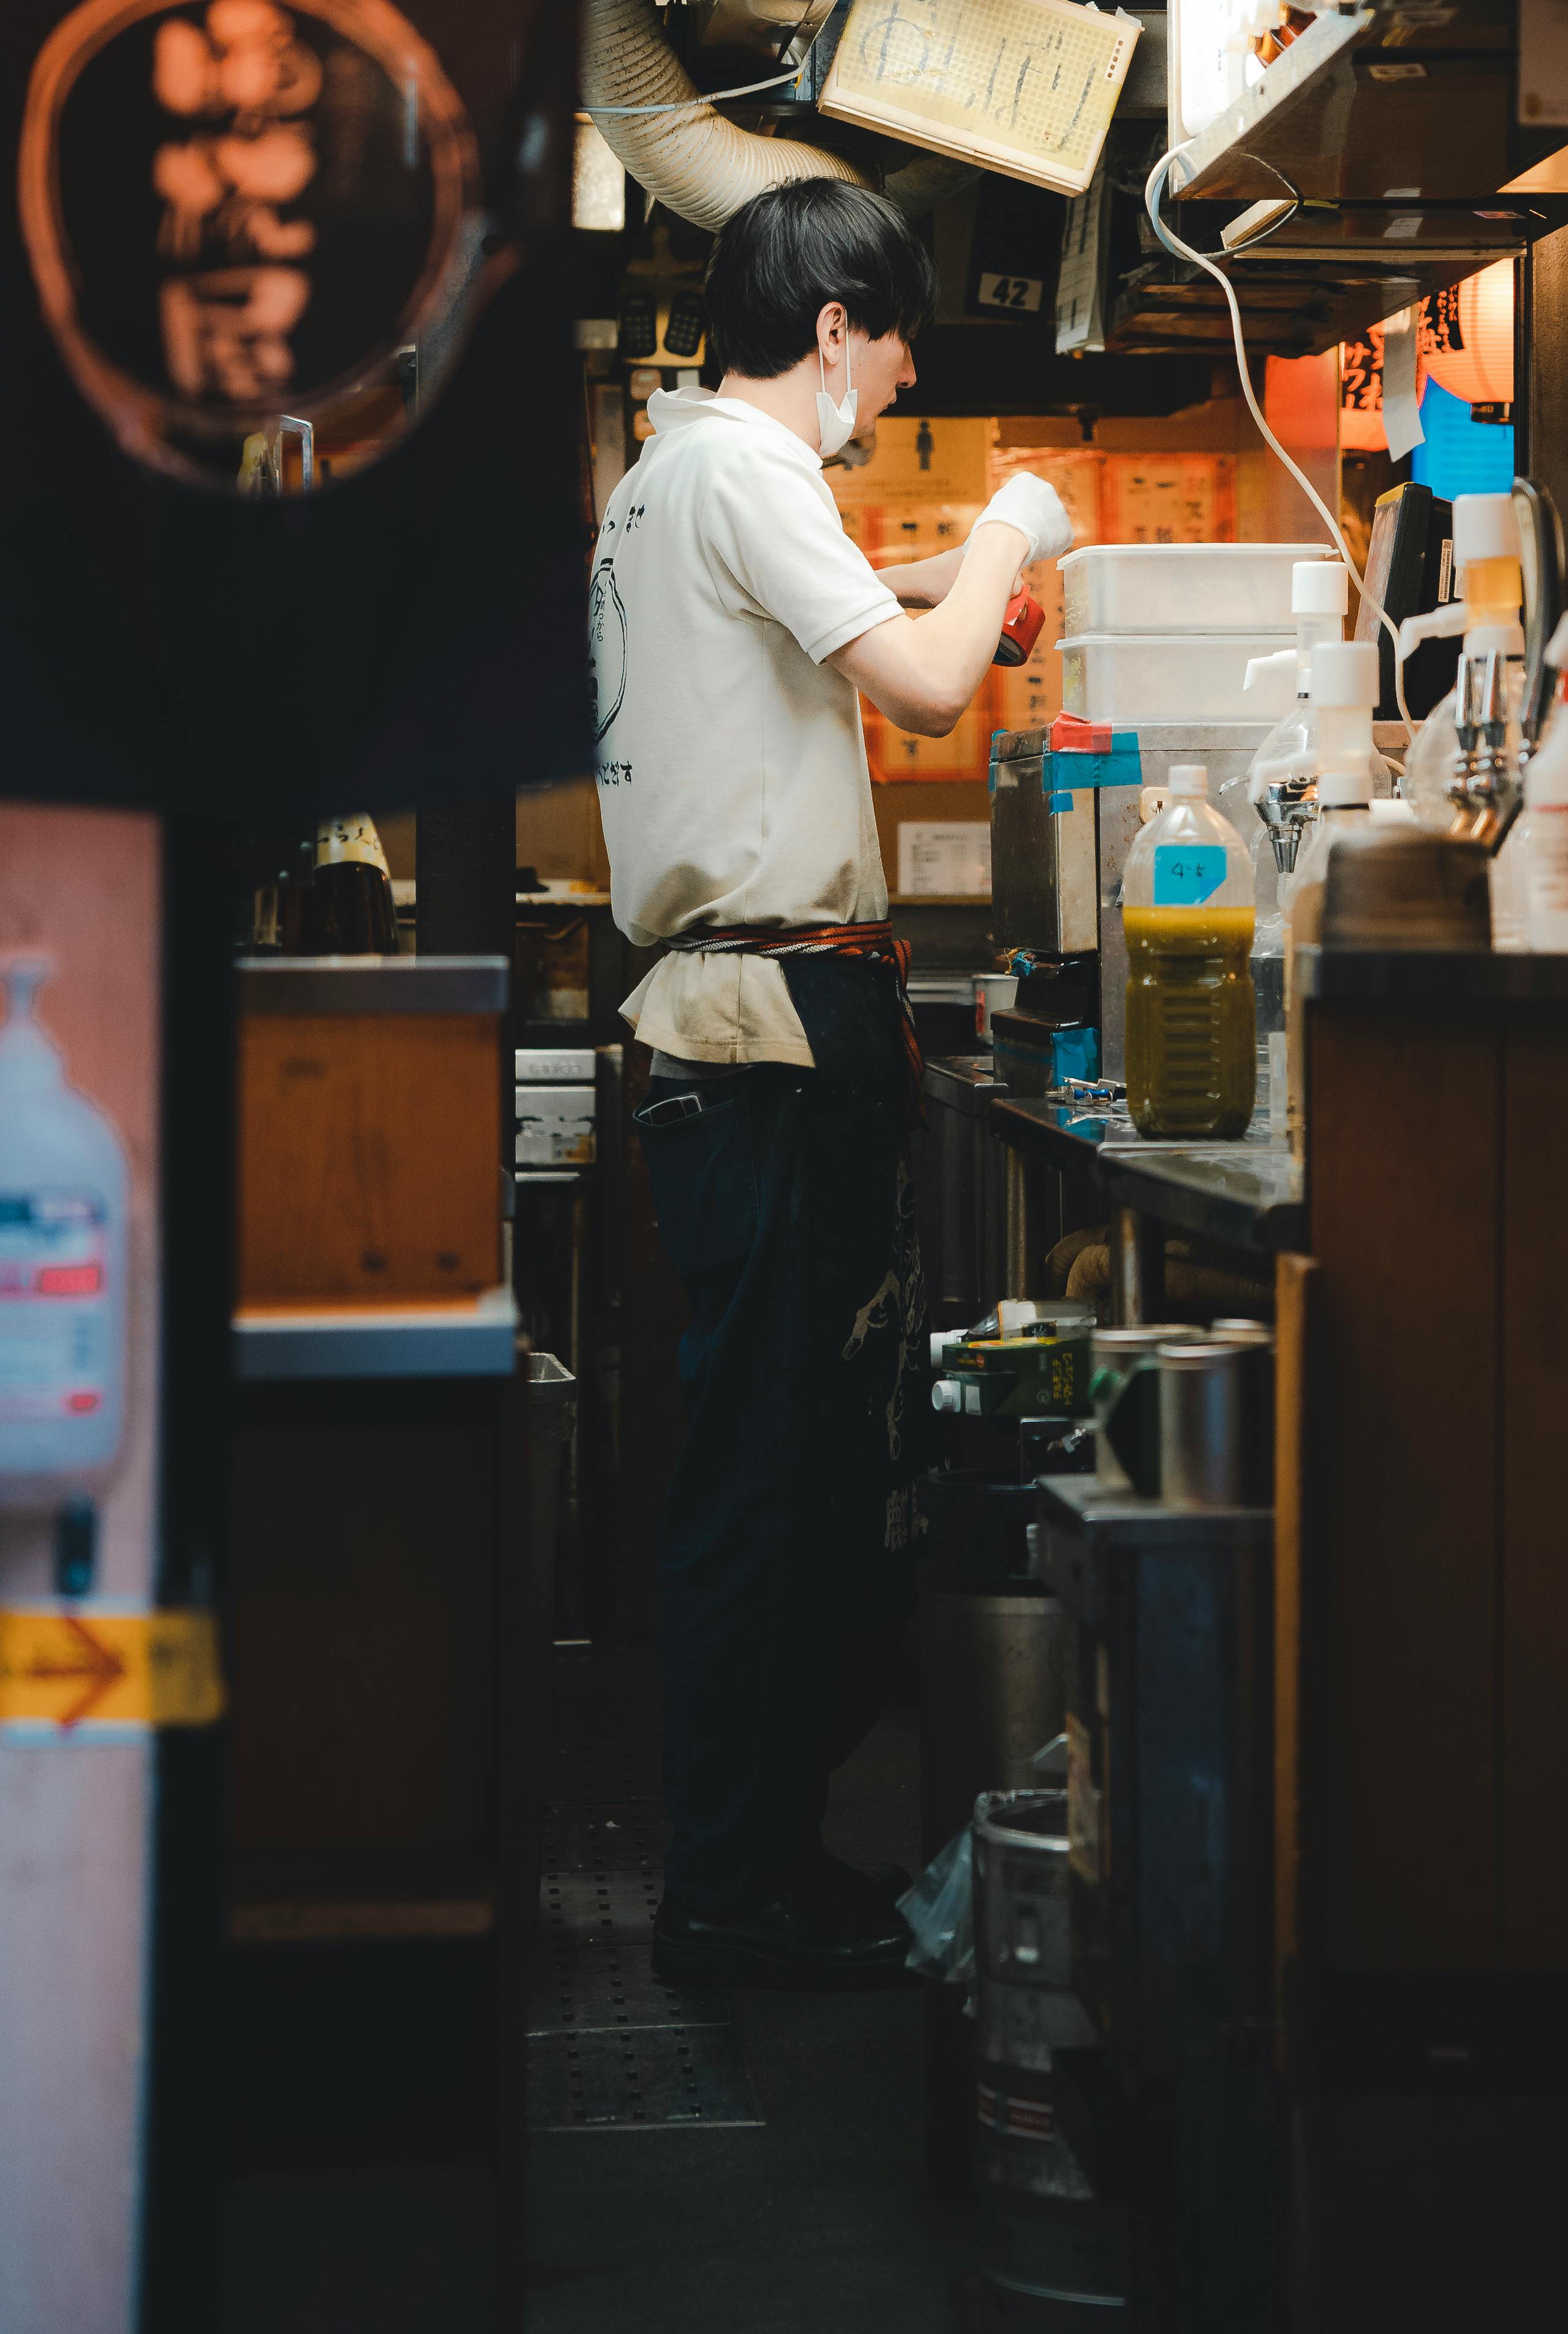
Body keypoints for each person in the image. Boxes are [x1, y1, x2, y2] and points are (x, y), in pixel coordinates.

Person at [592, 174, 1074, 1986]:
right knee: (771, 1476)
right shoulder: (746, 469)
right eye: (889, 357)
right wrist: (1018, 526)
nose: (888, 395)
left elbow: (887, 611)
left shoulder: (667, 477)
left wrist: (972, 571)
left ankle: (759, 1861)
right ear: (832, 329)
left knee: (777, 1467)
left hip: (744, 1026)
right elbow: (937, 691)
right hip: (775, 1025)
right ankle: (727, 1887)